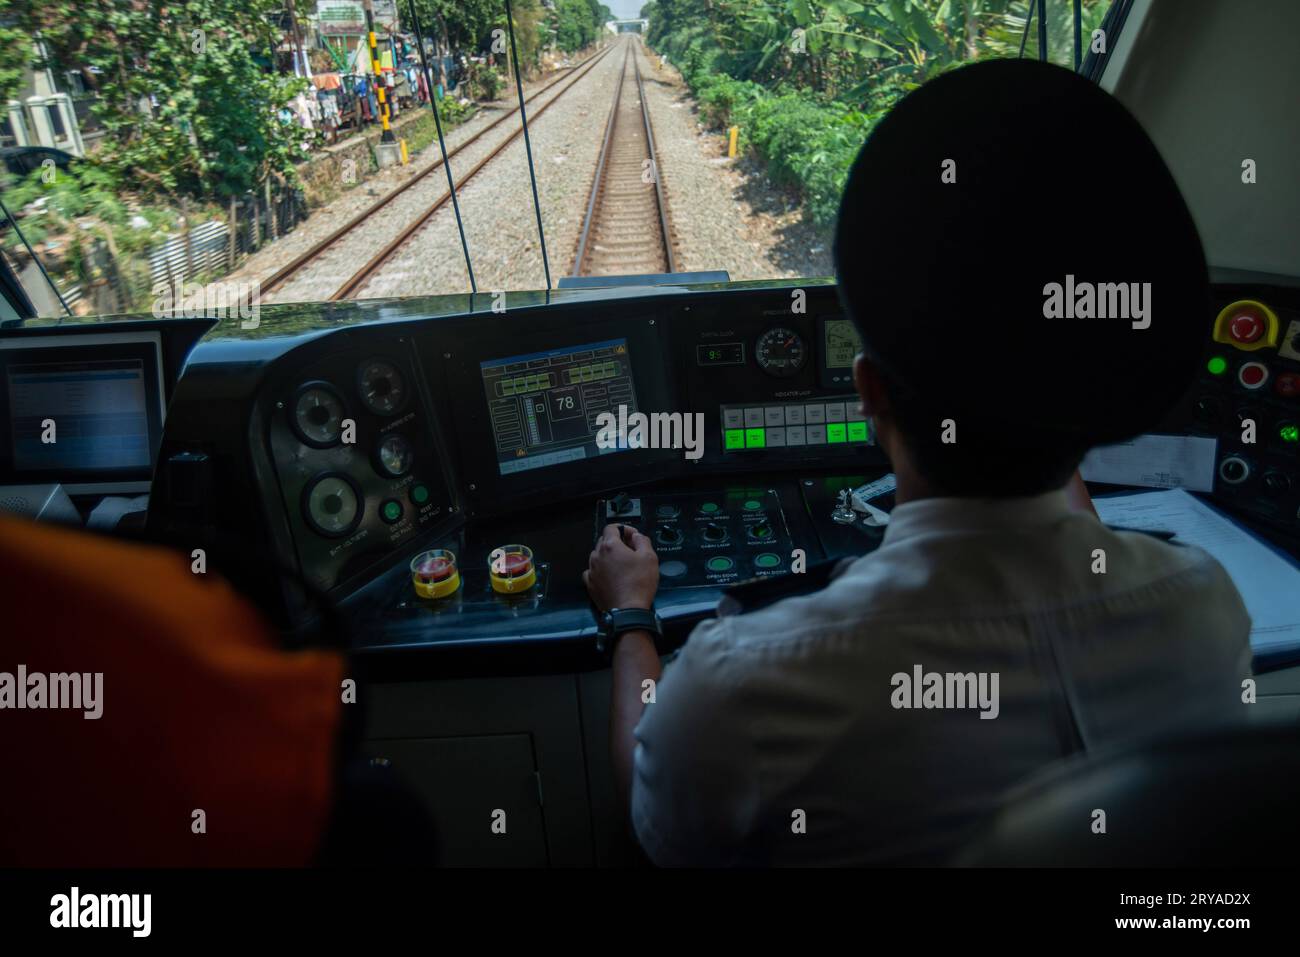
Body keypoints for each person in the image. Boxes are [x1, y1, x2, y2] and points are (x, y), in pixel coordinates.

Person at [583, 59, 1252, 866]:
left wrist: (630, 618)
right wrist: (1047, 405)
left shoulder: (743, 678)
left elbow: (647, 814)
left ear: (870, 392)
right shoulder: (1202, 608)